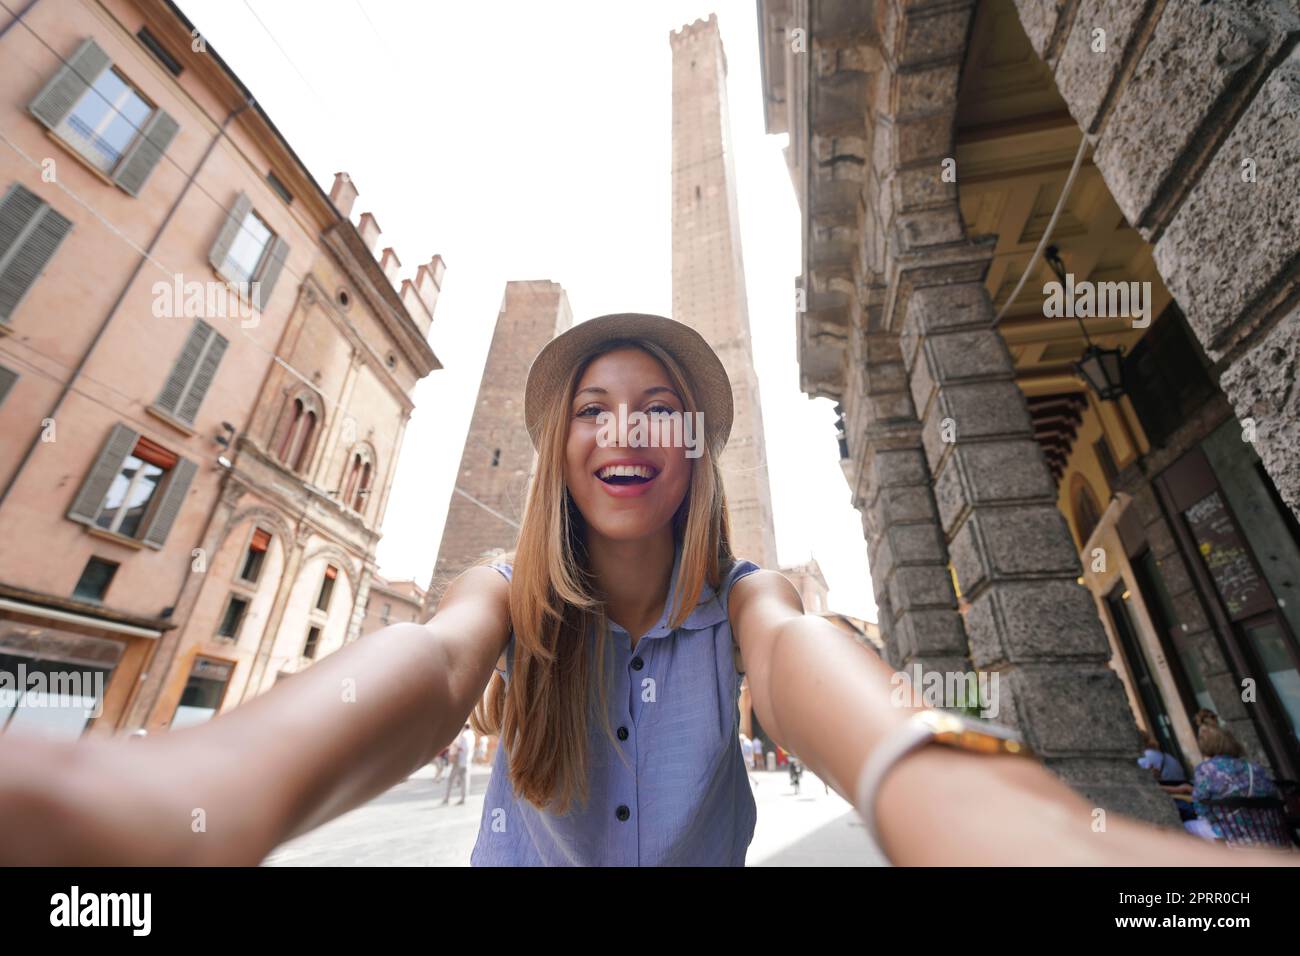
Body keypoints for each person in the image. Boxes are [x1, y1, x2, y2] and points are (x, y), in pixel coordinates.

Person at [0, 313, 1295, 867]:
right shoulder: (495, 596)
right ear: (561, 444)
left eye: (661, 412)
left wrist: (1035, 839)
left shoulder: (751, 609)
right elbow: (421, 674)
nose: (626, 433)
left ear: (693, 454)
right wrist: (172, 797)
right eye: (595, 408)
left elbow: (853, 703)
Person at [1186, 723, 1282, 843]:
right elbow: (1272, 794)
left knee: (1185, 827)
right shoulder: (1254, 768)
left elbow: (1201, 809)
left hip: (1233, 837)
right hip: (1269, 835)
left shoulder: (1205, 769)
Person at [441, 723, 473, 807]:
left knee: (451, 779)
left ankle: (447, 798)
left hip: (459, 761)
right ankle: (463, 798)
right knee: (464, 780)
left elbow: (465, 748)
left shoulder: (464, 735)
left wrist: (456, 747)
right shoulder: (472, 735)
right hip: (466, 761)